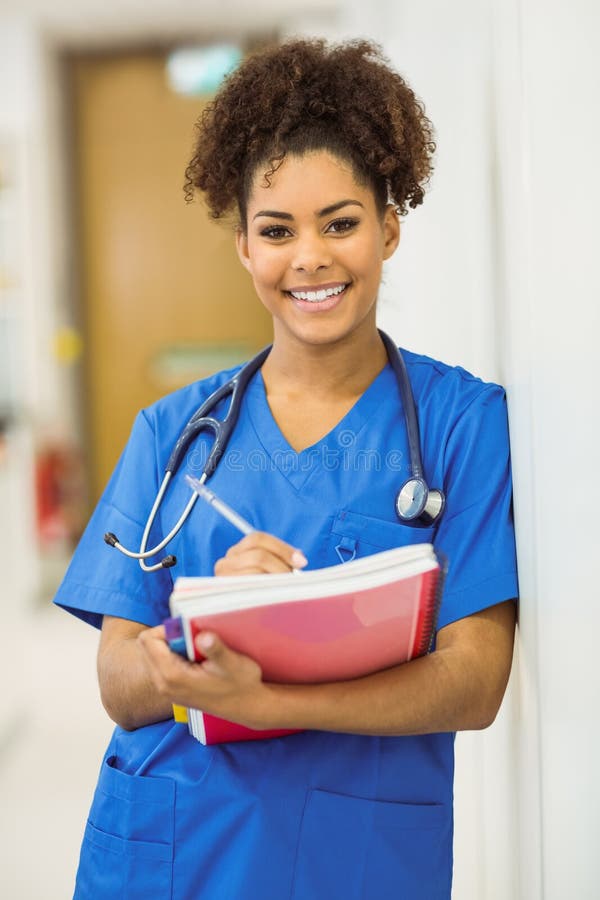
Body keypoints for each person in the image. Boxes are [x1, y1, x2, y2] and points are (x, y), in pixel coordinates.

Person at [54, 38, 518, 899]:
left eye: (340, 223)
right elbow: (122, 684)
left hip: (357, 855)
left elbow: (475, 680)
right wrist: (206, 630)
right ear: (243, 246)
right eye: (276, 231)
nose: (309, 257)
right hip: (170, 851)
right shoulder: (174, 433)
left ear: (389, 227)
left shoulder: (460, 423)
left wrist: (275, 700)